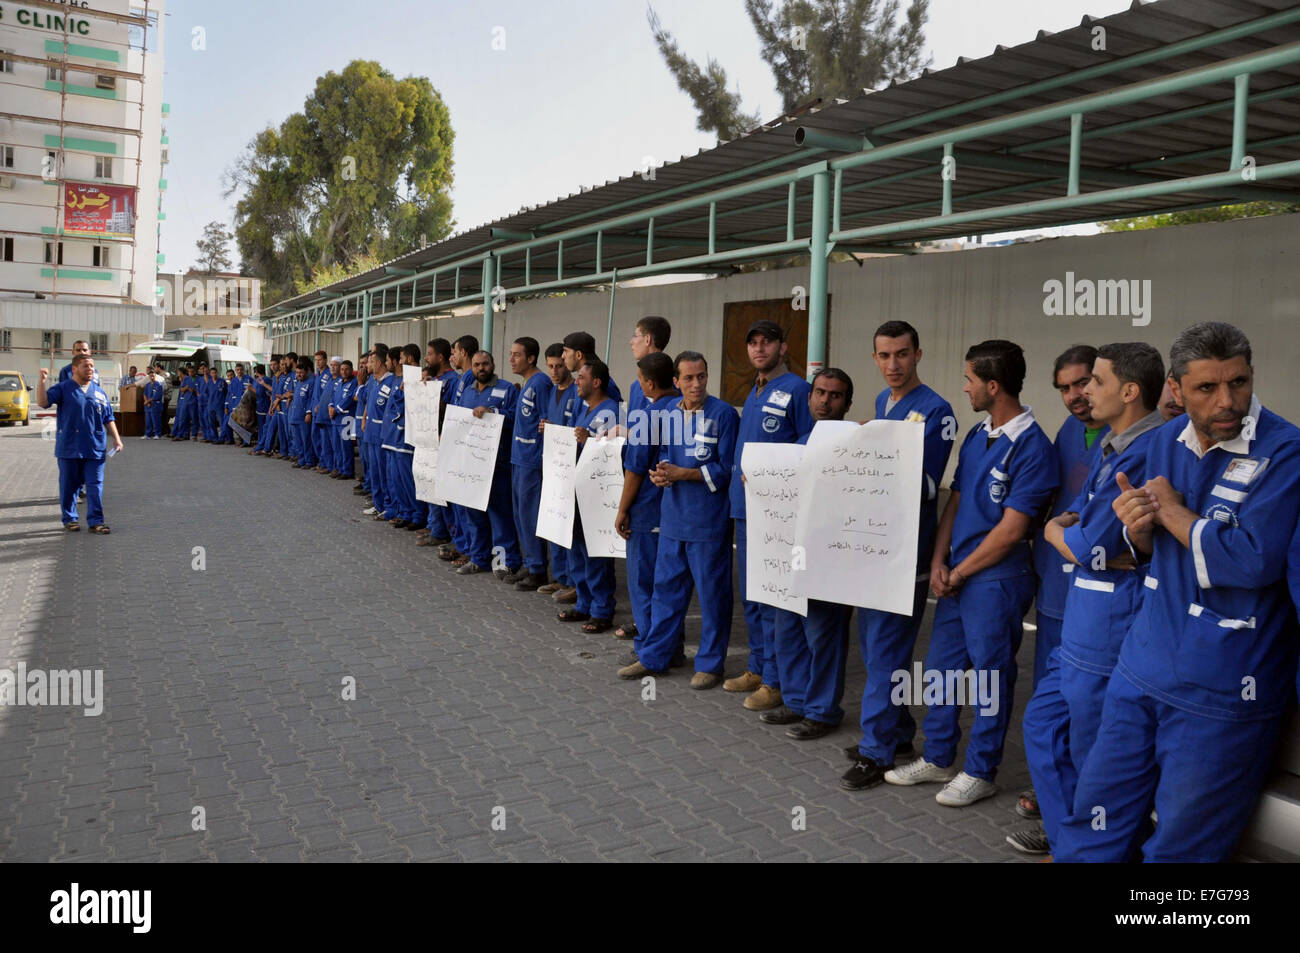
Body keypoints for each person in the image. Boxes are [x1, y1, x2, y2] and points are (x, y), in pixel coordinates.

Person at [1057, 323, 1300, 863]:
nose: (1227, 401)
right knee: (1094, 818)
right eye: (1206, 389)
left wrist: (1172, 513)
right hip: (1140, 670)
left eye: (1238, 383)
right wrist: (1139, 529)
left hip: (1222, 689)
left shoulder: (1285, 453)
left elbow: (1252, 559)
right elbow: (1149, 551)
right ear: (1175, 388)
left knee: (1182, 850)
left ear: (1252, 374)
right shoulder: (1164, 442)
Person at [885, 340, 1058, 807]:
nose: (964, 388)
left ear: (993, 385)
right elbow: (955, 502)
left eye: (969, 380)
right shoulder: (979, 436)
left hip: (997, 580)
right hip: (958, 575)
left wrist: (958, 570)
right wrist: (939, 562)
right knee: (942, 670)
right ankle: (939, 757)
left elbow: (1011, 530)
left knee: (989, 677)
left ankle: (981, 770)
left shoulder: (1033, 448)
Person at [1010, 342, 1166, 856]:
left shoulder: (1148, 450)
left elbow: (1087, 543)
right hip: (1080, 628)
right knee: (1044, 726)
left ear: (1128, 391)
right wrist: (1071, 539)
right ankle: (1069, 838)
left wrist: (1063, 539)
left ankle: (1096, 848)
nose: (1083, 392)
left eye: (1094, 381)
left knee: (1098, 757)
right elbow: (1079, 522)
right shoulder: (1110, 446)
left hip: (1107, 632)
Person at [842, 323, 957, 789]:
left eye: (902, 355)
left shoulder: (937, 411)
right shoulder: (880, 405)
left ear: (918, 354)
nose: (894, 365)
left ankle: (876, 752)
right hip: (874, 547)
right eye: (885, 356)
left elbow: (928, 486)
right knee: (874, 649)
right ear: (874, 358)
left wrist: (875, 455)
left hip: (905, 554)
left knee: (887, 652)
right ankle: (899, 733)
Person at [1019, 346, 1107, 823]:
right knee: (1048, 695)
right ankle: (1048, 787)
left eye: (1083, 384)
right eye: (1065, 388)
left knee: (1088, 702)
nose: (1075, 395)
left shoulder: (1135, 435)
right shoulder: (1069, 431)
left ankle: (1084, 808)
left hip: (1101, 587)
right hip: (1057, 583)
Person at [618, 351, 738, 689]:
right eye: (688, 378)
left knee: (713, 597)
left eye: (701, 376)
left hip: (707, 524)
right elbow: (665, 455)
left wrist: (685, 473)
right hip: (671, 519)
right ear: (676, 381)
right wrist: (661, 475)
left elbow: (727, 468)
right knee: (665, 593)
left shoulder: (724, 414)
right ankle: (654, 656)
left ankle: (711, 664)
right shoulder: (668, 412)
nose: (696, 384)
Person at [765, 368, 862, 739]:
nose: (825, 400)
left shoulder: (855, 441)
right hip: (791, 554)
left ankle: (823, 710)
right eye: (820, 393)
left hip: (830, 559)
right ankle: (796, 701)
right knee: (788, 629)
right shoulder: (801, 439)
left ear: (847, 403)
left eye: (835, 395)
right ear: (809, 399)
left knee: (824, 636)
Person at [726, 319, 814, 711]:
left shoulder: (798, 390)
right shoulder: (755, 388)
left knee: (777, 600)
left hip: (778, 513)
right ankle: (759, 667)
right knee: (753, 595)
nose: (759, 349)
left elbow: (809, 445)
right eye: (753, 343)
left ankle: (778, 681)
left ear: (783, 346)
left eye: (767, 342)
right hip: (747, 509)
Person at [615, 352, 683, 665]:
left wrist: (622, 509)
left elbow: (636, 468)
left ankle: (648, 648)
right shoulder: (685, 408)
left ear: (650, 383)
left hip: (645, 508)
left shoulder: (649, 413)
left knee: (643, 584)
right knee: (668, 583)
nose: (638, 385)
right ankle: (673, 646)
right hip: (674, 511)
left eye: (640, 380)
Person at [613, 315, 674, 635]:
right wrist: (624, 430)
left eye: (635, 335)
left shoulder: (662, 388)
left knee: (647, 573)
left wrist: (622, 508)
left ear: (649, 339)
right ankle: (654, 631)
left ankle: (653, 642)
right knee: (662, 576)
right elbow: (640, 429)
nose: (631, 340)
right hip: (663, 500)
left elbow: (638, 461)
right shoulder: (649, 392)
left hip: (650, 500)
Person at [557, 358, 620, 631]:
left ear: (596, 382)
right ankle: (584, 603)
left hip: (596, 496)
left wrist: (588, 441)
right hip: (577, 492)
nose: (577, 382)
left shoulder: (609, 412)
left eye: (581, 377)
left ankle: (602, 610)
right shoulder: (586, 408)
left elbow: (611, 452)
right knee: (579, 552)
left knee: (596, 555)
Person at [37, 355, 122, 533]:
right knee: (69, 485)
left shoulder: (99, 391)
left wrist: (117, 438)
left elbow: (109, 417)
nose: (90, 369)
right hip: (70, 447)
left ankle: (96, 522)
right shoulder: (63, 388)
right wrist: (42, 382)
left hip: (95, 447)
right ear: (74, 369)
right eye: (86, 366)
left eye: (92, 366)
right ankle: (70, 519)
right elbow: (43, 402)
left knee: (95, 485)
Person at [457, 350, 523, 576]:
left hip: (498, 465)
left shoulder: (506, 390)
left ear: (493, 365)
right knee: (474, 514)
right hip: (471, 465)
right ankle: (479, 559)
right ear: (472, 368)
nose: (481, 368)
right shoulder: (466, 392)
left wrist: (493, 412)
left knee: (500, 515)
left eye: (485, 364)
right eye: (476, 365)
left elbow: (516, 419)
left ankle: (506, 561)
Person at [506, 336, 553, 587]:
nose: (511, 359)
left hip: (532, 461)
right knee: (520, 514)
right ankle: (529, 563)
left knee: (530, 514)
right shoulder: (526, 383)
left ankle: (538, 569)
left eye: (517, 355)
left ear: (531, 358)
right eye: (511, 354)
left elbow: (547, 422)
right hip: (518, 458)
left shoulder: (541, 383)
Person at [536, 343, 579, 600]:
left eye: (559, 366)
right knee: (554, 521)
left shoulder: (577, 391)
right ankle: (560, 577)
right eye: (550, 366)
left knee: (570, 527)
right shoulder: (552, 392)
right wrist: (546, 426)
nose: (554, 371)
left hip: (571, 468)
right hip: (552, 465)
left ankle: (574, 581)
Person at [417, 339, 459, 546]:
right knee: (428, 484)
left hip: (443, 439)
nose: (426, 358)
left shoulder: (452, 380)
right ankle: (435, 527)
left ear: (440, 357)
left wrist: (432, 393)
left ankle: (444, 532)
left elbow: (450, 411)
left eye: (430, 354)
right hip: (428, 438)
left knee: (441, 488)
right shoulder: (436, 377)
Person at [382, 345, 421, 530]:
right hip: (395, 437)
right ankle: (405, 512)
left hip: (408, 437)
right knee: (397, 479)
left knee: (409, 479)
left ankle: (417, 514)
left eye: (403, 359)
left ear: (410, 359)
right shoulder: (400, 380)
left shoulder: (419, 377)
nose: (401, 362)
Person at [361, 345, 394, 518]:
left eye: (371, 362)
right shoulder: (373, 381)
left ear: (380, 363)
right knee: (374, 470)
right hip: (370, 433)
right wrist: (365, 417)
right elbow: (368, 402)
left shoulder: (390, 381)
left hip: (382, 434)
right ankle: (378, 503)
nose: (367, 365)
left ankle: (388, 506)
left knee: (384, 472)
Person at [330, 359, 359, 479]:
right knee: (337, 446)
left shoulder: (354, 383)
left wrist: (336, 410)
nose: (344, 371)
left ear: (351, 370)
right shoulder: (339, 382)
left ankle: (347, 471)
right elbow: (333, 396)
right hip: (336, 419)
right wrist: (330, 407)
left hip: (347, 419)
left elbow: (349, 399)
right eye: (342, 369)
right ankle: (340, 468)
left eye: (346, 369)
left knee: (346, 446)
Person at [304, 352, 333, 469]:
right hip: (315, 411)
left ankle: (326, 463)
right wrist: (310, 410)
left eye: (320, 360)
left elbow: (327, 394)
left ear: (325, 360)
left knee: (324, 440)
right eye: (316, 360)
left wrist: (320, 405)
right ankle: (321, 461)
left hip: (323, 412)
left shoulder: (328, 374)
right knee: (315, 437)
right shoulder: (318, 375)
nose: (318, 362)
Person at [290, 362, 316, 468]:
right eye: (297, 372)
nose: (299, 375)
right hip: (295, 416)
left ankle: (309, 461)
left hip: (304, 417)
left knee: (306, 440)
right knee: (298, 441)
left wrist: (309, 412)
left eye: (301, 372)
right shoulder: (298, 383)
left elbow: (311, 399)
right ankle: (301, 460)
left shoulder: (311, 383)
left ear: (306, 372)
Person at [172, 366, 198, 441]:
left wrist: (192, 389)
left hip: (193, 401)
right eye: (189, 372)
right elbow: (182, 389)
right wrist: (186, 388)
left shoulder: (195, 379)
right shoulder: (185, 379)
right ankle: (182, 434)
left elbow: (197, 390)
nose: (190, 373)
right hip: (185, 401)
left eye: (192, 371)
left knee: (194, 419)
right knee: (183, 418)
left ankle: (194, 435)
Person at [142, 371, 164, 439]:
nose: (151, 377)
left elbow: (156, 396)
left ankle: (158, 434)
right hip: (148, 406)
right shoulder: (148, 385)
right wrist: (146, 401)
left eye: (153, 376)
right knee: (148, 420)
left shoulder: (158, 385)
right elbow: (145, 394)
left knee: (156, 420)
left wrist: (148, 401)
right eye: (150, 376)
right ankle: (148, 434)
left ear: (155, 376)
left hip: (155, 405)